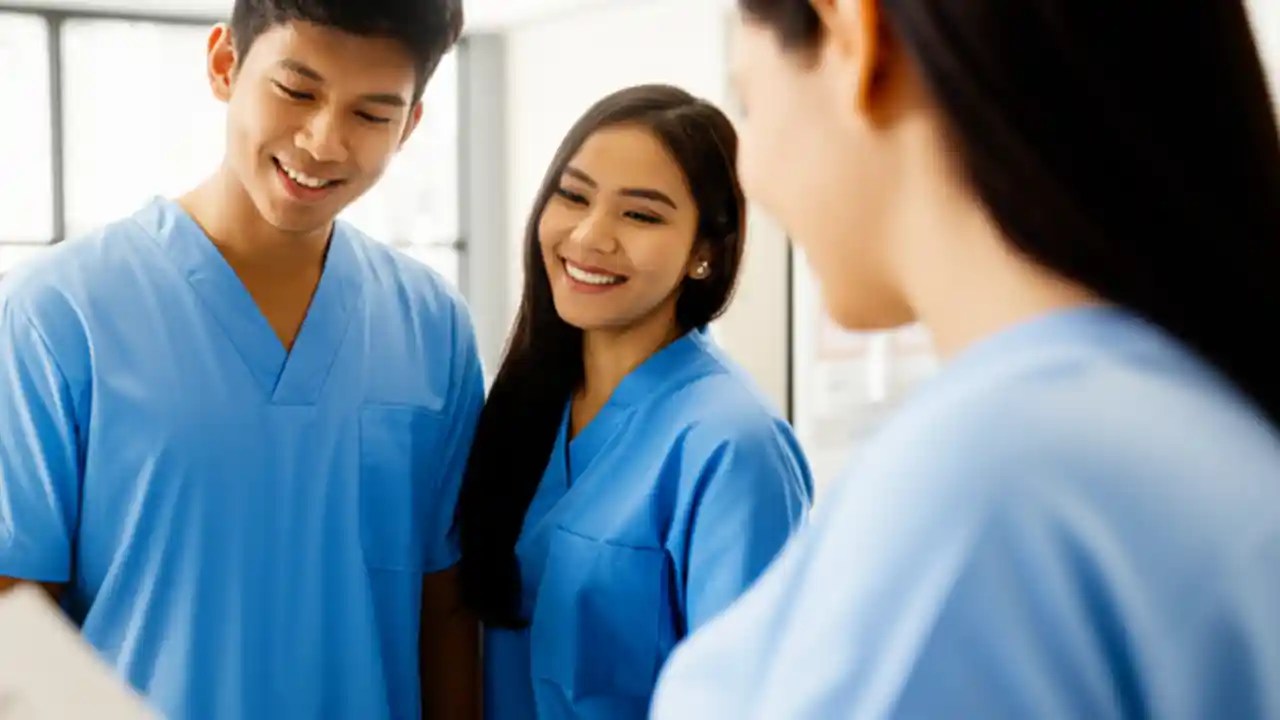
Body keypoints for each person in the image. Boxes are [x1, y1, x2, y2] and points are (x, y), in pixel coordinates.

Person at [651, 1, 1280, 718]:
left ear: (854, 38)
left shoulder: (991, 482)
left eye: (749, 105)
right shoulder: (1199, 426)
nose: (751, 175)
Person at [0, 1, 482, 718]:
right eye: (297, 92)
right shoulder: (57, 311)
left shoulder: (432, 325)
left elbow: (443, 602)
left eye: (372, 115)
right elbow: (14, 611)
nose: (324, 141)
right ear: (225, 64)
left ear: (409, 126)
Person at [456, 84, 813, 720]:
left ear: (704, 252)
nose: (590, 236)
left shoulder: (731, 446)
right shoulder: (522, 410)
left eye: (641, 215)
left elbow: (756, 700)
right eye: (573, 195)